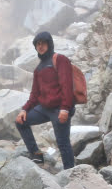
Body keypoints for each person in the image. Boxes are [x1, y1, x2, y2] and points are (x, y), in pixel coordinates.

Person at [15, 31, 76, 169]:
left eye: (43, 43)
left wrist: (65, 109)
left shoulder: (60, 59)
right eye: (37, 44)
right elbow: (34, 94)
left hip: (60, 108)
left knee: (62, 142)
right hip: (44, 108)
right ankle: (37, 157)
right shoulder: (38, 69)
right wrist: (24, 109)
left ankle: (70, 173)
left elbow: (66, 86)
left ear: (49, 44)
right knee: (20, 122)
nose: (40, 46)